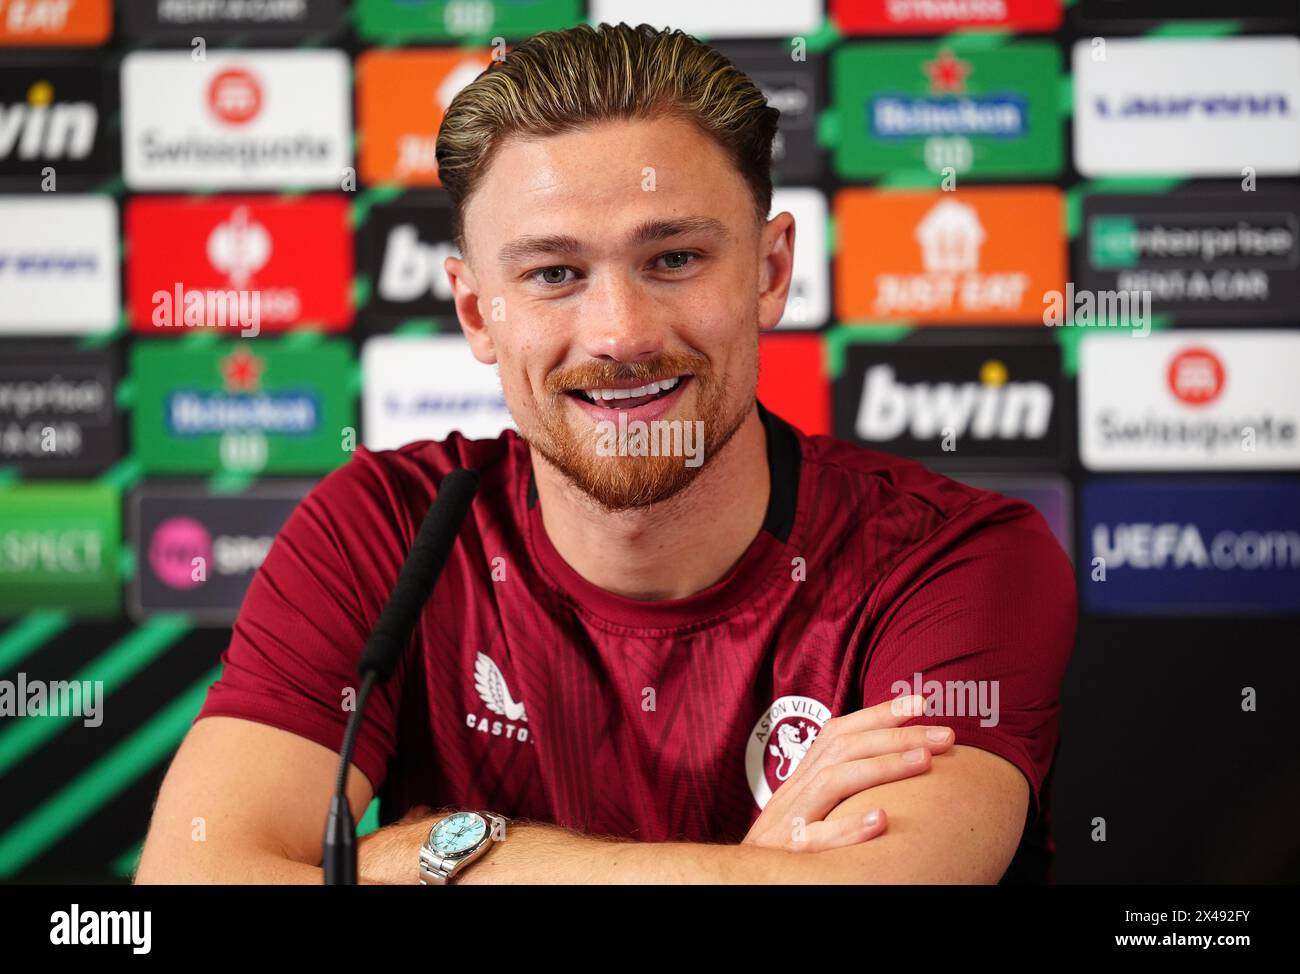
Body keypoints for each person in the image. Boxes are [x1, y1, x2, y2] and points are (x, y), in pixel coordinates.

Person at [136, 22, 1075, 884]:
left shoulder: (951, 558)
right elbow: (193, 880)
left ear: (770, 271)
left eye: (673, 259)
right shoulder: (385, 526)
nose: (620, 333)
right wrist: (742, 873)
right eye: (554, 274)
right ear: (476, 311)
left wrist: (430, 855)